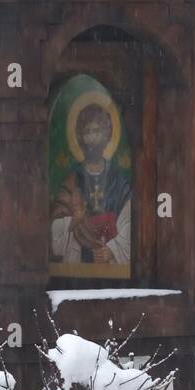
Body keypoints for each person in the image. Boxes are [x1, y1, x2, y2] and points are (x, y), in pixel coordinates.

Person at [49, 102, 130, 267]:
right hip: (78, 259)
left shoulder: (118, 180)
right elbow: (55, 228)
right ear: (80, 137)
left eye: (97, 131)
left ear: (108, 135)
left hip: (111, 264)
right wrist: (73, 221)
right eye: (87, 132)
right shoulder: (72, 180)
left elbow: (130, 222)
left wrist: (111, 249)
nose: (92, 138)